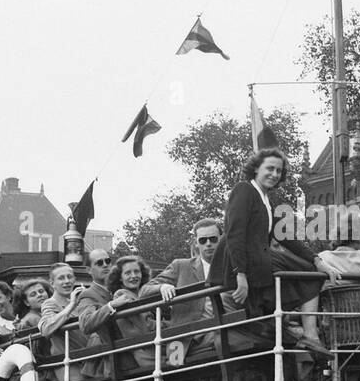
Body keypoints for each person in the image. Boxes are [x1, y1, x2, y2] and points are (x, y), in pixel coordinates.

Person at [209, 148, 340, 357]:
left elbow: (285, 235)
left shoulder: (265, 200)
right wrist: (240, 274)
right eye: (269, 168)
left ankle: (310, 335)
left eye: (279, 171)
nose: (274, 174)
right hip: (240, 262)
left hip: (258, 262)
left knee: (310, 272)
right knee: (305, 276)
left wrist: (317, 259)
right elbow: (235, 233)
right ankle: (309, 335)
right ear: (255, 169)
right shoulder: (244, 190)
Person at [139, 220, 233, 325]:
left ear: (221, 239)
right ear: (196, 242)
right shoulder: (181, 266)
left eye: (213, 239)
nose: (208, 244)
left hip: (229, 326)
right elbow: (143, 291)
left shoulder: (234, 265)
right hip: (191, 334)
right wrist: (162, 287)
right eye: (203, 240)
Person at [38, 262, 88, 359]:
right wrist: (72, 305)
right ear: (52, 283)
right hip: (67, 361)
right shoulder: (50, 303)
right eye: (61, 278)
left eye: (69, 277)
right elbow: (45, 329)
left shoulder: (80, 301)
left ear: (75, 280)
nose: (67, 281)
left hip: (89, 356)